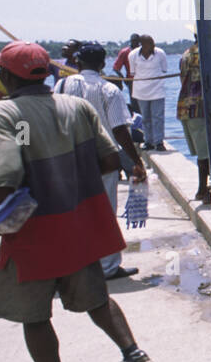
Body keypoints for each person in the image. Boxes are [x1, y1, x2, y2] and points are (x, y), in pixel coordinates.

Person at [0, 41, 157, 362]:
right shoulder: (76, 108)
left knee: (34, 317)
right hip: (77, 226)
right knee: (97, 299)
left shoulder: (7, 112)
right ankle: (135, 358)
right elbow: (109, 159)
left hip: (32, 235)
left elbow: (5, 175)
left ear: (6, 77)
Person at [56, 42, 146, 279]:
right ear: (102, 63)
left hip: (70, 158)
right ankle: (108, 266)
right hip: (103, 159)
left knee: (76, 211)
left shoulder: (61, 85)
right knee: (105, 213)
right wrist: (136, 160)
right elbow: (119, 129)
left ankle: (78, 261)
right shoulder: (110, 90)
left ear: (77, 62)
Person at [177, 34, 211, 202]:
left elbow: (182, 79)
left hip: (185, 106)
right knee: (206, 153)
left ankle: (204, 189)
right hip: (200, 107)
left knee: (201, 151)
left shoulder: (185, 54)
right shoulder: (203, 53)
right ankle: (203, 190)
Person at [131, 35, 168, 151]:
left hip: (157, 90)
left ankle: (159, 142)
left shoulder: (160, 53)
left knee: (158, 117)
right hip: (141, 91)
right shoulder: (132, 55)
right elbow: (132, 72)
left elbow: (164, 69)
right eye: (149, 44)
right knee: (145, 118)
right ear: (142, 44)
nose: (152, 46)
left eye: (153, 43)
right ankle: (148, 141)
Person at [112, 33, 141, 102]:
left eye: (137, 41)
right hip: (132, 81)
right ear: (131, 41)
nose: (136, 43)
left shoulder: (143, 51)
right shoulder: (125, 52)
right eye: (134, 41)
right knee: (135, 103)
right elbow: (116, 68)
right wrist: (124, 79)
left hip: (145, 80)